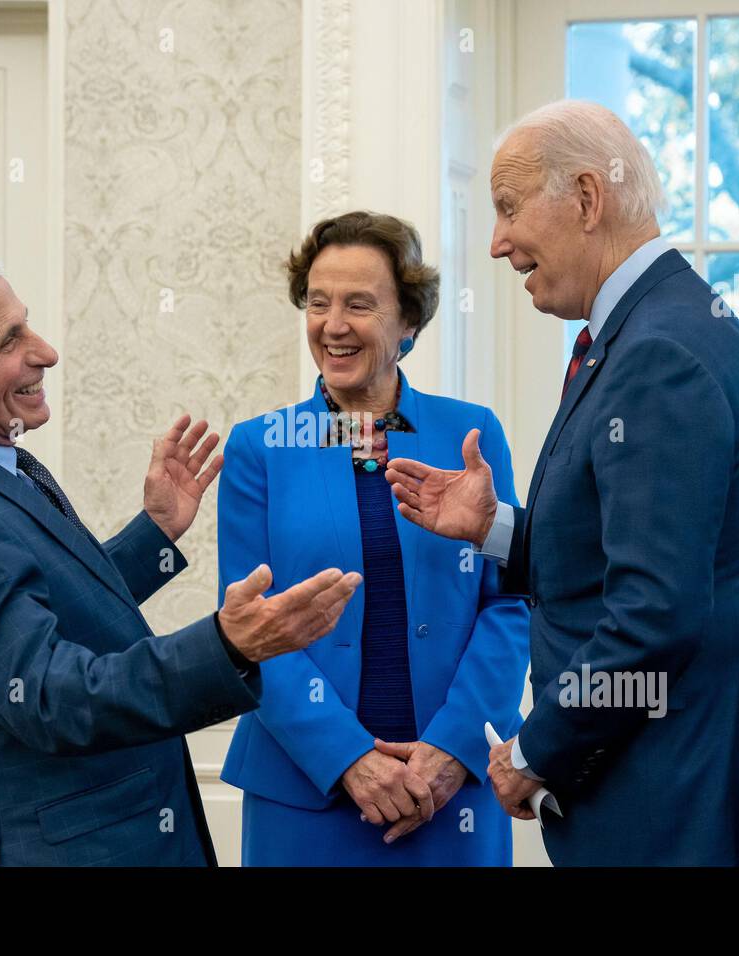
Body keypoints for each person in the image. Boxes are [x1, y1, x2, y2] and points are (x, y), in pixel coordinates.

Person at [387, 101, 739, 866]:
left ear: (587, 198)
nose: (496, 243)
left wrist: (533, 751)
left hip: (674, 791)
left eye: (509, 209)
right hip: (675, 784)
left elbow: (656, 613)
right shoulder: (653, 328)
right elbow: (634, 562)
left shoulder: (659, 355)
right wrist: (497, 530)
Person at [0, 252, 361, 866]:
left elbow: (50, 607)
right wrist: (229, 647)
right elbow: (48, 696)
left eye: (28, 325)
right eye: (9, 340)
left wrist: (153, 534)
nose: (45, 352)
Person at [217, 212, 530, 865]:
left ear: (408, 320)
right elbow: (248, 630)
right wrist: (347, 757)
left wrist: (453, 747)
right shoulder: (259, 448)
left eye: (360, 304)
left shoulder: (472, 434)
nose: (333, 324)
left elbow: (509, 604)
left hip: (449, 790)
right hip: (305, 794)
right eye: (319, 302)